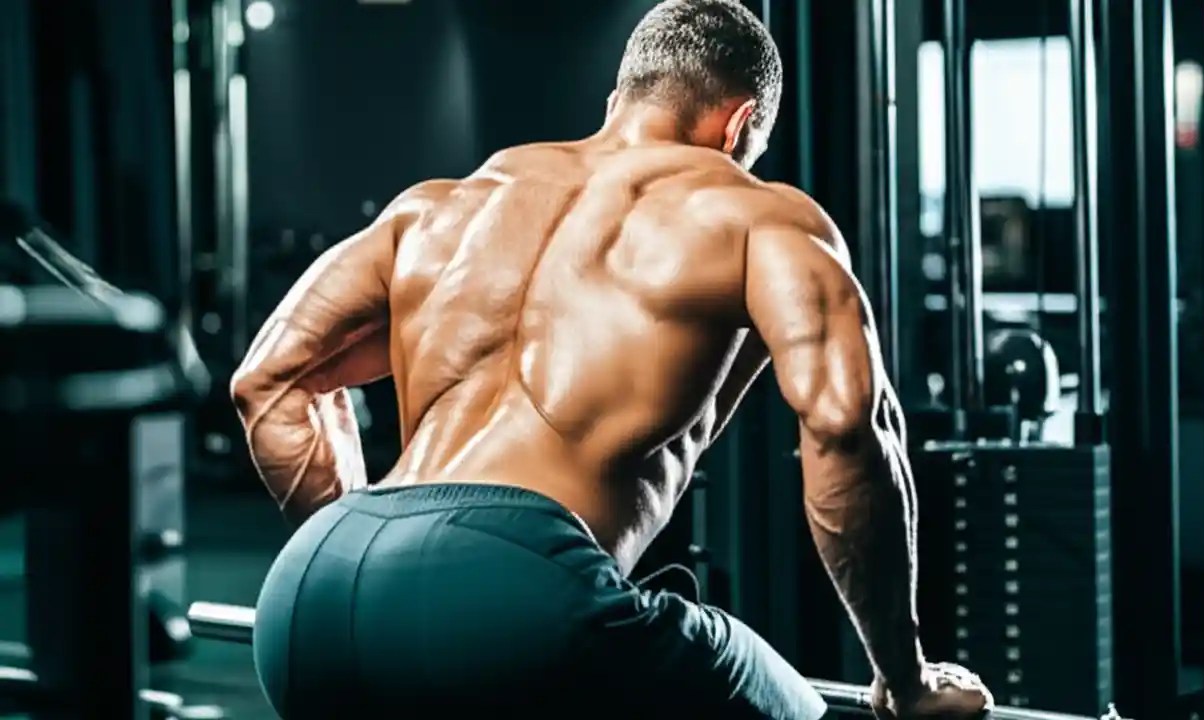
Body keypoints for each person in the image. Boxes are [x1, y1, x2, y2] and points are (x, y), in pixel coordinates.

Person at [229, 1, 994, 717]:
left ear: (618, 99)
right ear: (740, 124)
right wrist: (906, 677)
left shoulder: (440, 204)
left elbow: (267, 381)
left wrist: (386, 569)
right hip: (516, 593)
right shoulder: (760, 214)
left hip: (311, 592)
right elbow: (847, 428)